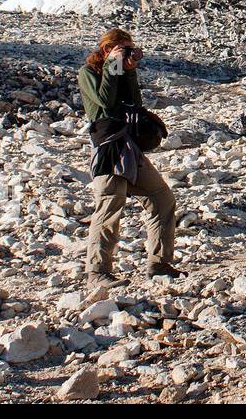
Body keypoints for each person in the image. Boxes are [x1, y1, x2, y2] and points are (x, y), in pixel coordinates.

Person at [78, 27, 181, 285]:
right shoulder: (88, 72)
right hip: (109, 146)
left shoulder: (122, 72)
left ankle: (159, 263)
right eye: (123, 49)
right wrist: (113, 66)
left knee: (161, 197)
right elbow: (104, 101)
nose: (126, 55)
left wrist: (130, 69)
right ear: (106, 50)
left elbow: (135, 104)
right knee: (110, 204)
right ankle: (97, 272)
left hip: (128, 146)